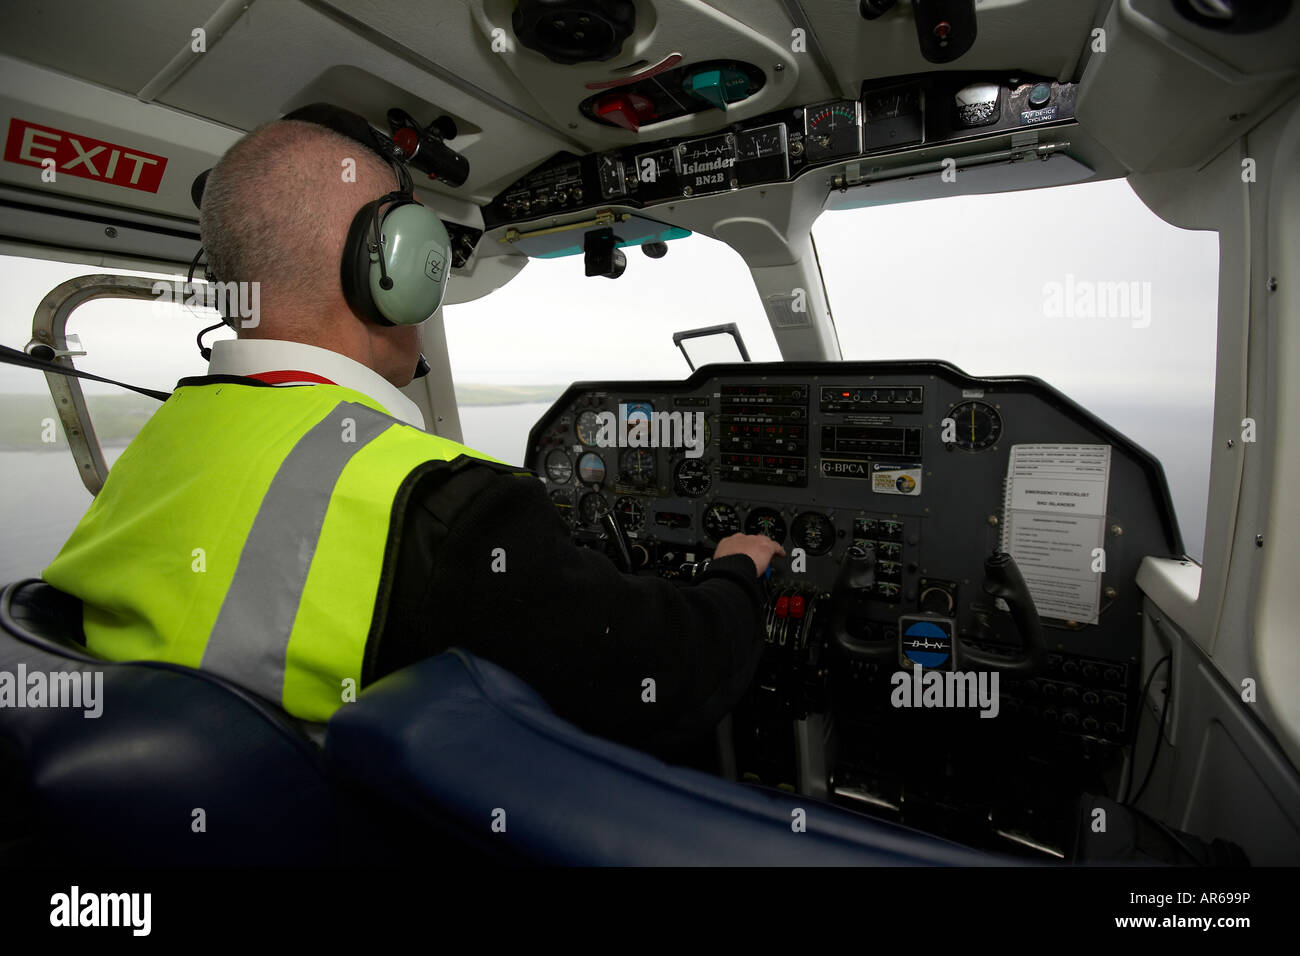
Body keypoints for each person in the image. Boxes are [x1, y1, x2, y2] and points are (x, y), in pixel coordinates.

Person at [41, 110, 783, 756]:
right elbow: (670, 675)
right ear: (394, 264)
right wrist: (737, 574)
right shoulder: (443, 506)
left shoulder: (167, 436)